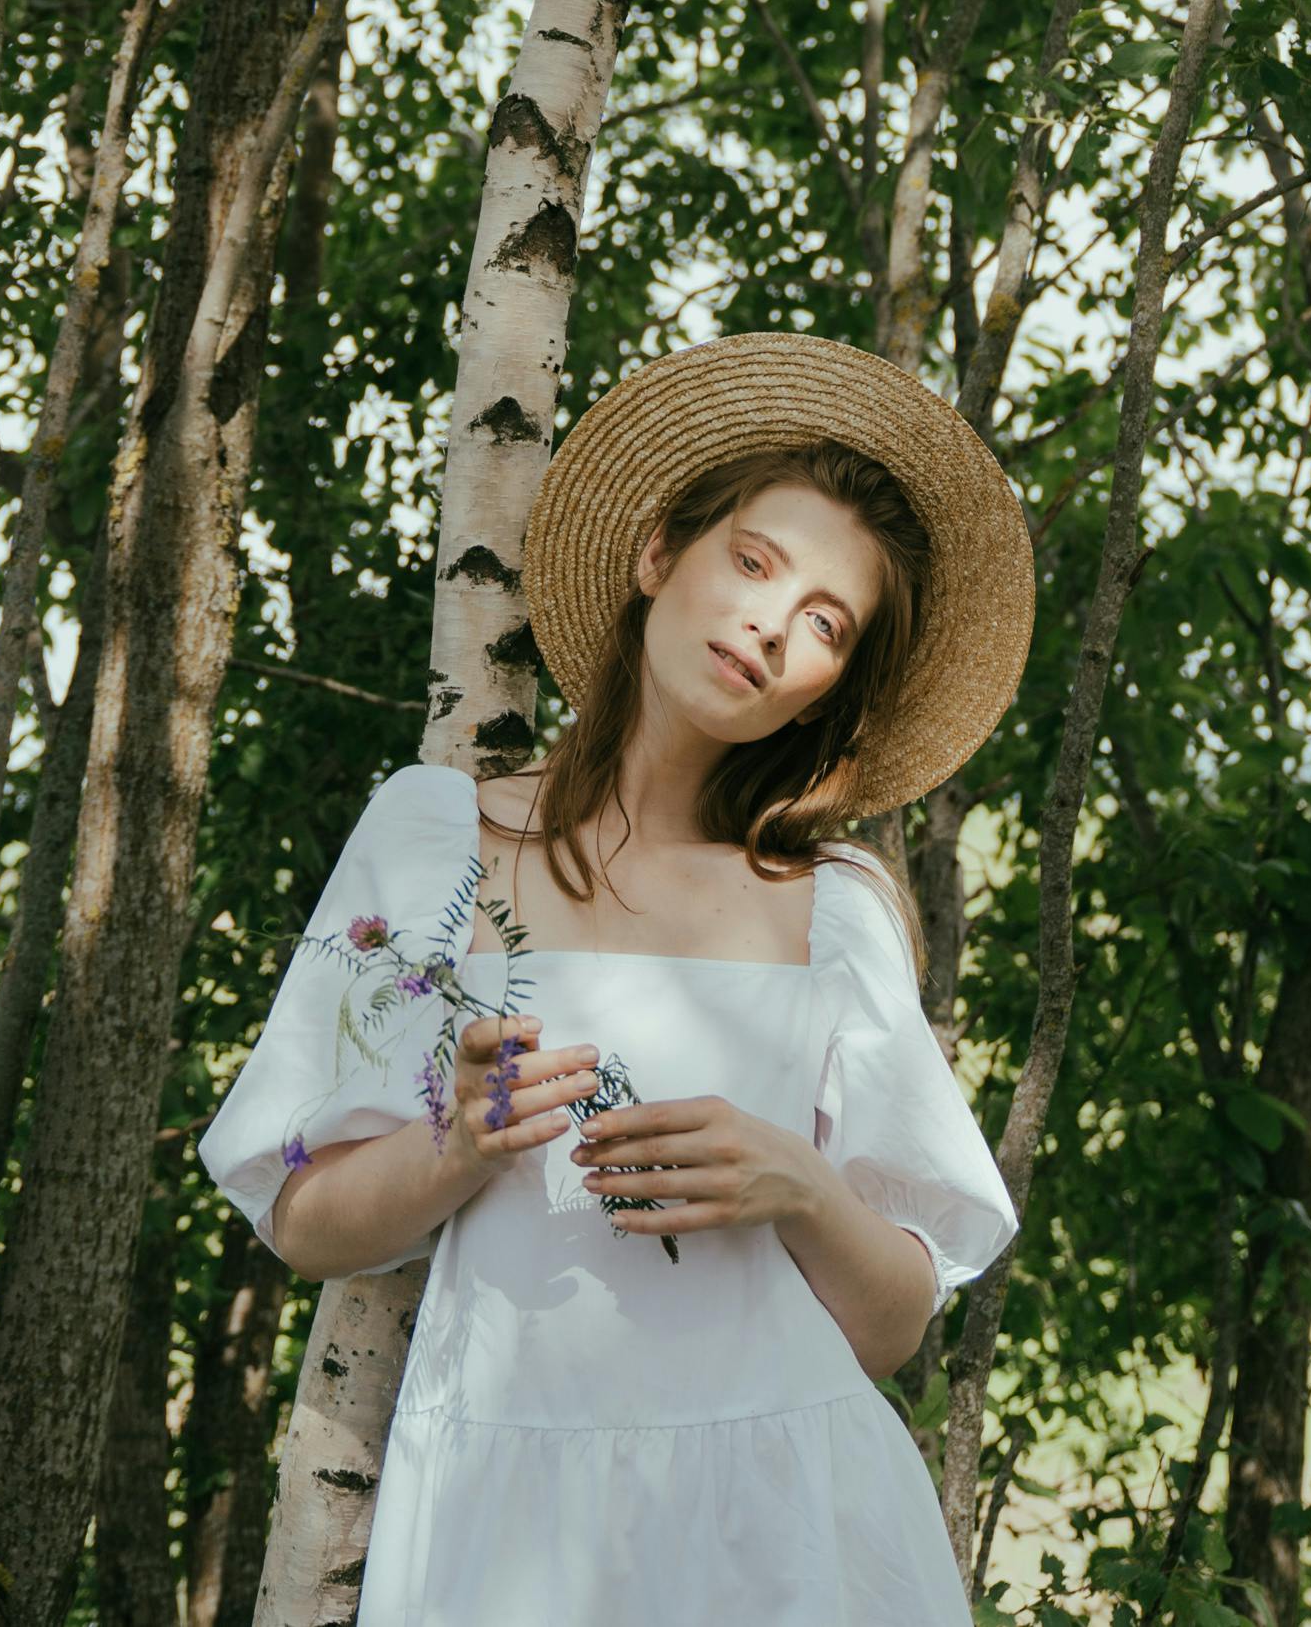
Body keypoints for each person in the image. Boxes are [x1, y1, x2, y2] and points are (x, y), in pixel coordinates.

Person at [201, 333, 1039, 1622]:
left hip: (792, 1520)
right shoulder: (441, 842)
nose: (769, 621)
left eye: (825, 621)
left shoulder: (835, 914)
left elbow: (889, 1330)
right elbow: (305, 1221)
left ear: (824, 695)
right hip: (507, 1510)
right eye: (752, 562)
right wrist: (459, 1141)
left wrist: (802, 1184)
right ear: (660, 558)